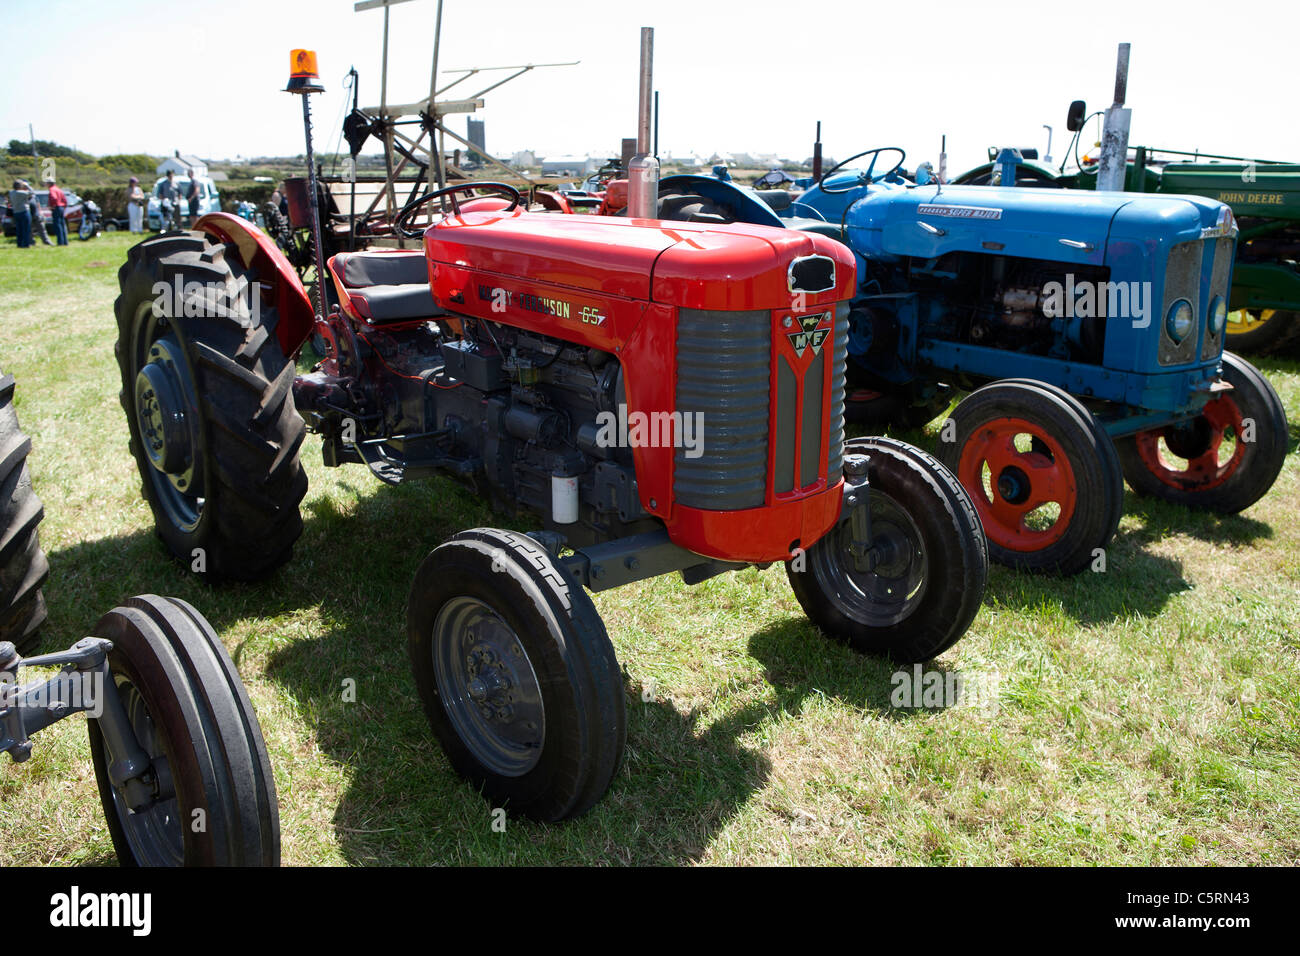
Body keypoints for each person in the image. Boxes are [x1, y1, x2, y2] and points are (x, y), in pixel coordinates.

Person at [9, 179, 32, 248]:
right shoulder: (21, 193)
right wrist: (27, 185)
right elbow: (31, 192)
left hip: (16, 212)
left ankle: (19, 243)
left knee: (19, 229)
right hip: (24, 211)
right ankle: (26, 244)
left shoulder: (11, 192)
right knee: (26, 229)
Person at [46, 176, 68, 245]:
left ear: (49, 183)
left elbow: (54, 198)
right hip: (61, 207)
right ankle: (65, 242)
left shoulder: (52, 189)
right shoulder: (59, 189)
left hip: (56, 208)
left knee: (57, 225)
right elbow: (65, 200)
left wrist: (52, 206)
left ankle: (60, 242)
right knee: (62, 225)